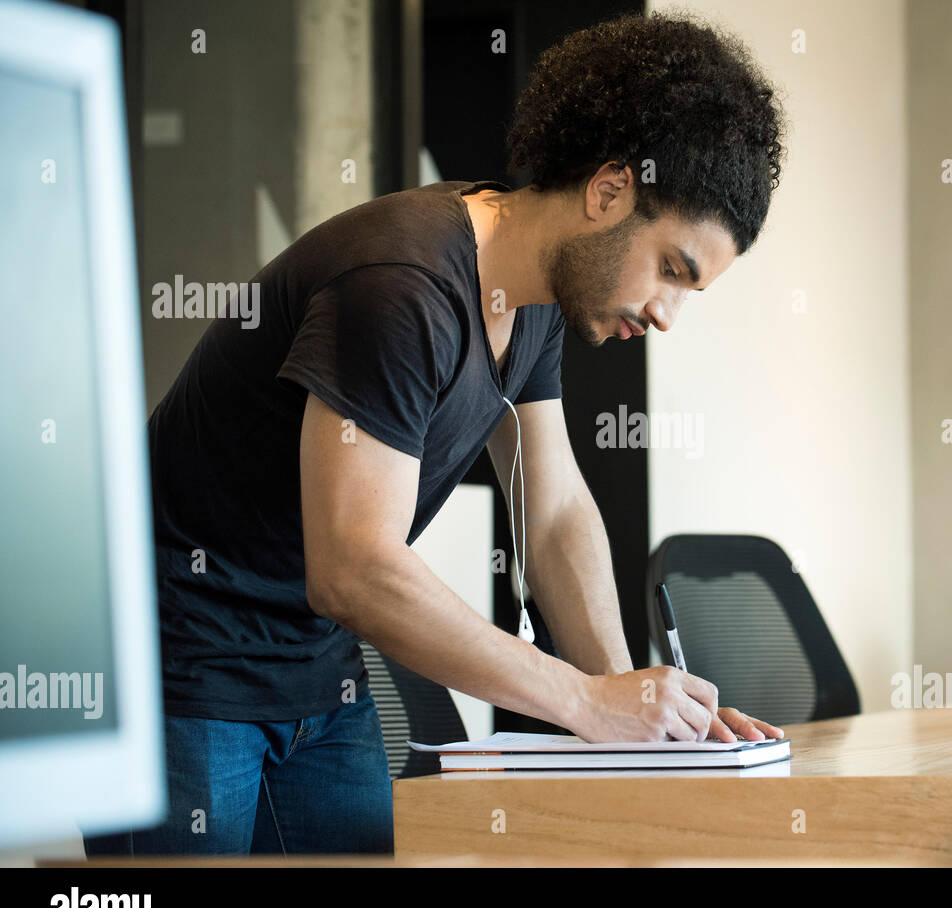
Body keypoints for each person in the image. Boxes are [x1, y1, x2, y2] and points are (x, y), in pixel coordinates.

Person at [85, 10, 787, 856]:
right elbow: (353, 568)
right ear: (609, 192)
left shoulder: (530, 303)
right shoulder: (404, 285)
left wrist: (641, 705)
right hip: (182, 666)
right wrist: (581, 700)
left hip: (316, 677)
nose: (667, 313)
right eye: (672, 268)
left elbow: (555, 510)